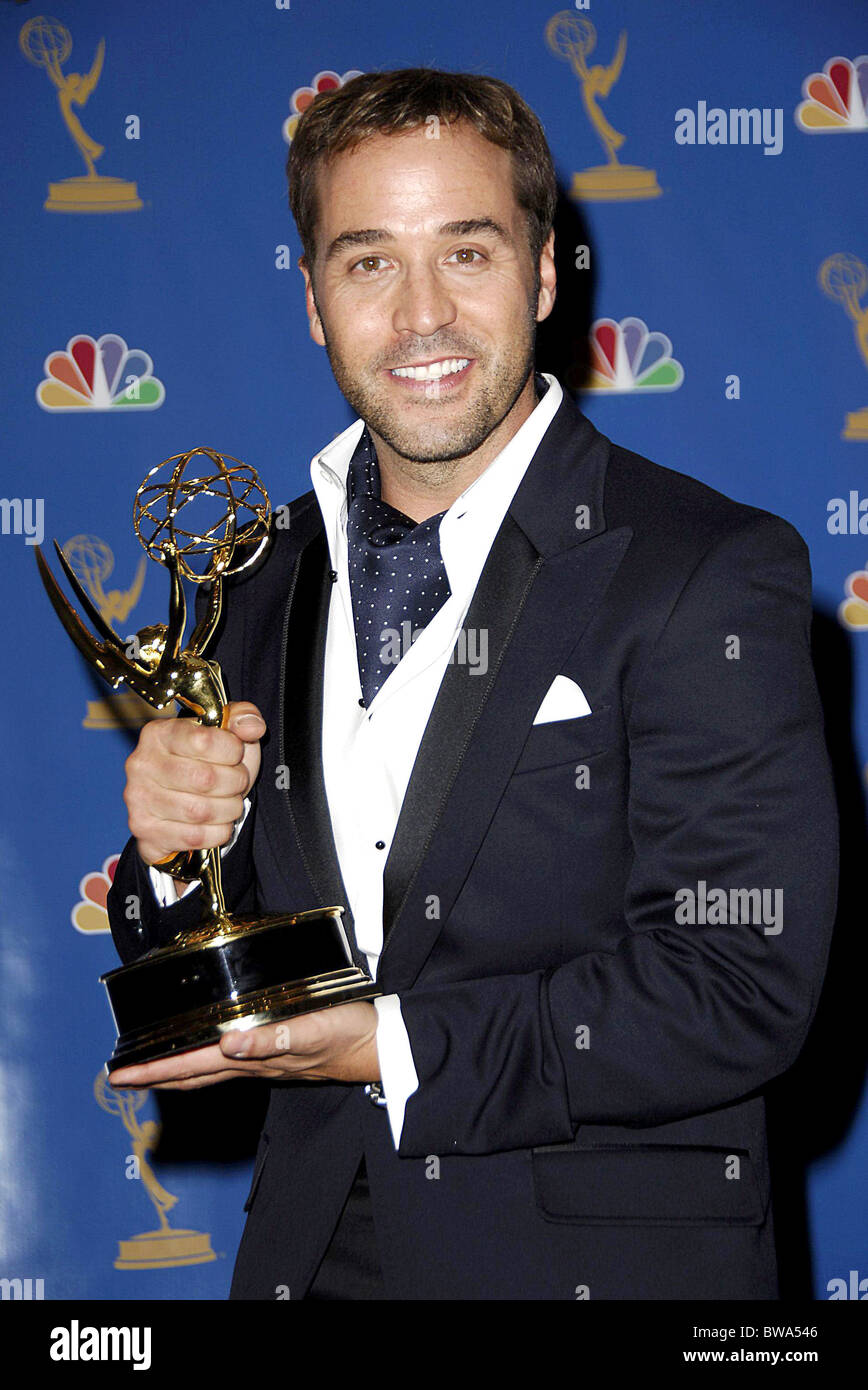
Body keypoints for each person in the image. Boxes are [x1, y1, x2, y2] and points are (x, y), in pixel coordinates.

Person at [106, 68, 838, 1300]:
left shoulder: (703, 569)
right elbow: (203, 965)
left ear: (544, 274)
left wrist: (385, 1047)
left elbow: (737, 982)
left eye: (468, 251)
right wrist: (177, 853)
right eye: (369, 262)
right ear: (313, 302)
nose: (422, 316)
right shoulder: (253, 576)